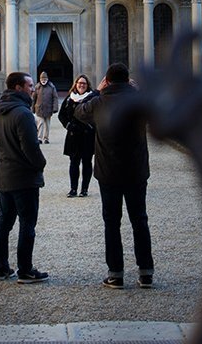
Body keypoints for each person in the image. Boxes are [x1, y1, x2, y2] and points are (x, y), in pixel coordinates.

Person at [74, 62, 154, 289]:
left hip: (108, 172)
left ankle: (116, 274)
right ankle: (146, 272)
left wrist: (97, 90)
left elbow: (78, 112)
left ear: (107, 80)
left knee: (112, 223)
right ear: (128, 80)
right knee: (140, 220)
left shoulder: (99, 102)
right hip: (136, 171)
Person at [0, 71, 50, 284]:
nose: (33, 89)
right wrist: (41, 164)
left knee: (4, 223)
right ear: (18, 87)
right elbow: (31, 148)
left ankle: (1, 268)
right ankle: (25, 270)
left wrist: (7, 159)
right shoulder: (23, 113)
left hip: (5, 175)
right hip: (24, 178)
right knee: (27, 224)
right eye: (30, 86)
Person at [58, 74, 98, 198]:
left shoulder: (92, 98)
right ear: (75, 84)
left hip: (88, 136)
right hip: (73, 135)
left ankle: (84, 189)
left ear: (87, 86)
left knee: (87, 163)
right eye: (79, 83)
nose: (81, 85)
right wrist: (68, 125)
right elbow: (61, 115)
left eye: (84, 83)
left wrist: (93, 127)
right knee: (73, 163)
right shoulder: (70, 98)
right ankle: (73, 189)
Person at [31, 70, 59, 143]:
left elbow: (55, 97)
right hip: (39, 108)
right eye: (42, 79)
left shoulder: (51, 87)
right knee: (40, 123)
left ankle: (46, 138)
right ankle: (39, 138)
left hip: (48, 109)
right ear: (40, 79)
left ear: (47, 79)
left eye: (45, 79)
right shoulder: (37, 87)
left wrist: (55, 108)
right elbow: (34, 99)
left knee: (47, 124)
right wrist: (32, 108)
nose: (43, 80)